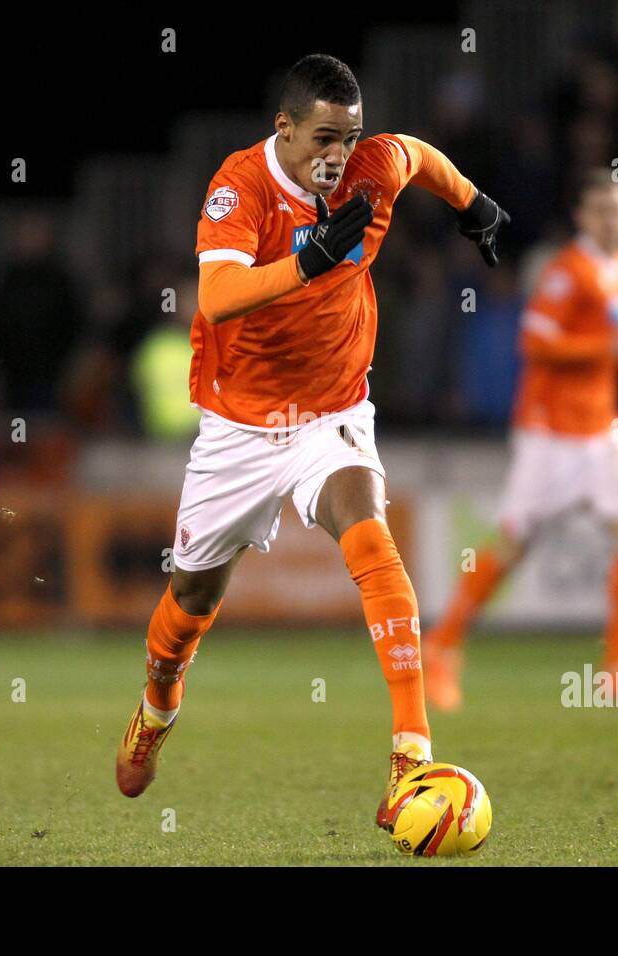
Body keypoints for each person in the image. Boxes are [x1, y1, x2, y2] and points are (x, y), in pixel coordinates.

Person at [114, 53, 509, 832]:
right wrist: (307, 262)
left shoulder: (370, 165)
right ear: (284, 128)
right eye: (323, 138)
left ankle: (410, 757)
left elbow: (416, 154)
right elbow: (218, 296)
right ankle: (157, 709)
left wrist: (474, 203)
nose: (337, 155)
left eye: (348, 137)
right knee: (192, 600)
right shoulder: (242, 186)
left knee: (373, 542)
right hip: (239, 427)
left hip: (332, 413)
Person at [422, 170, 618, 711]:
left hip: (603, 429)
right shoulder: (566, 271)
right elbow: (536, 340)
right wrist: (611, 346)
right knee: (513, 543)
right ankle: (441, 645)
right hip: (551, 432)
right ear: (582, 217)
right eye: (602, 210)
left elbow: (617, 340)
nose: (613, 220)